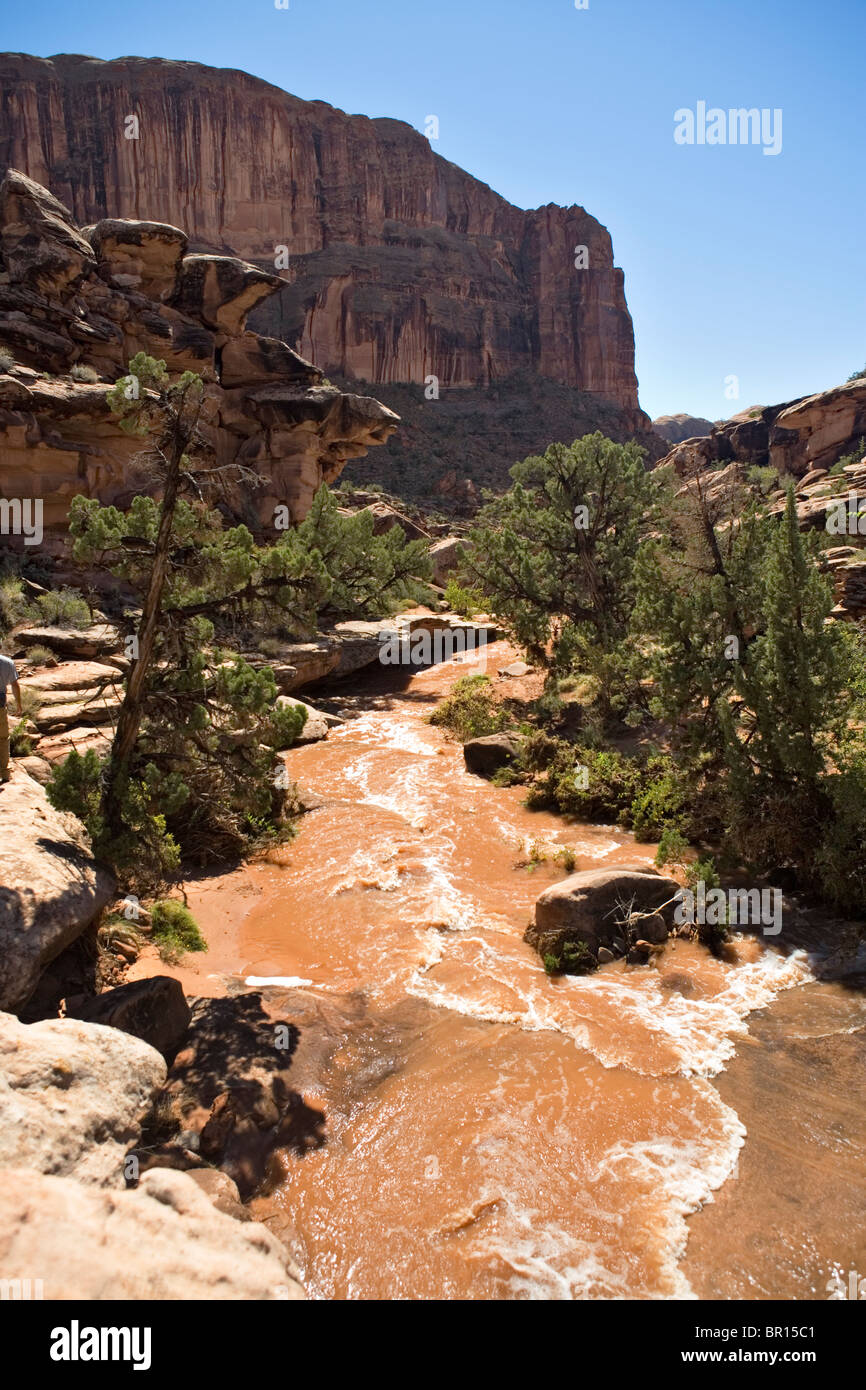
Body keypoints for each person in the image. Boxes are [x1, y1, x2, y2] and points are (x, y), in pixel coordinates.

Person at [0, 652, 23, 783]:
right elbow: (15, 685)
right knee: (2, 739)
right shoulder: (7, 662)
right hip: (0, 704)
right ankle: (4, 773)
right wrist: (19, 704)